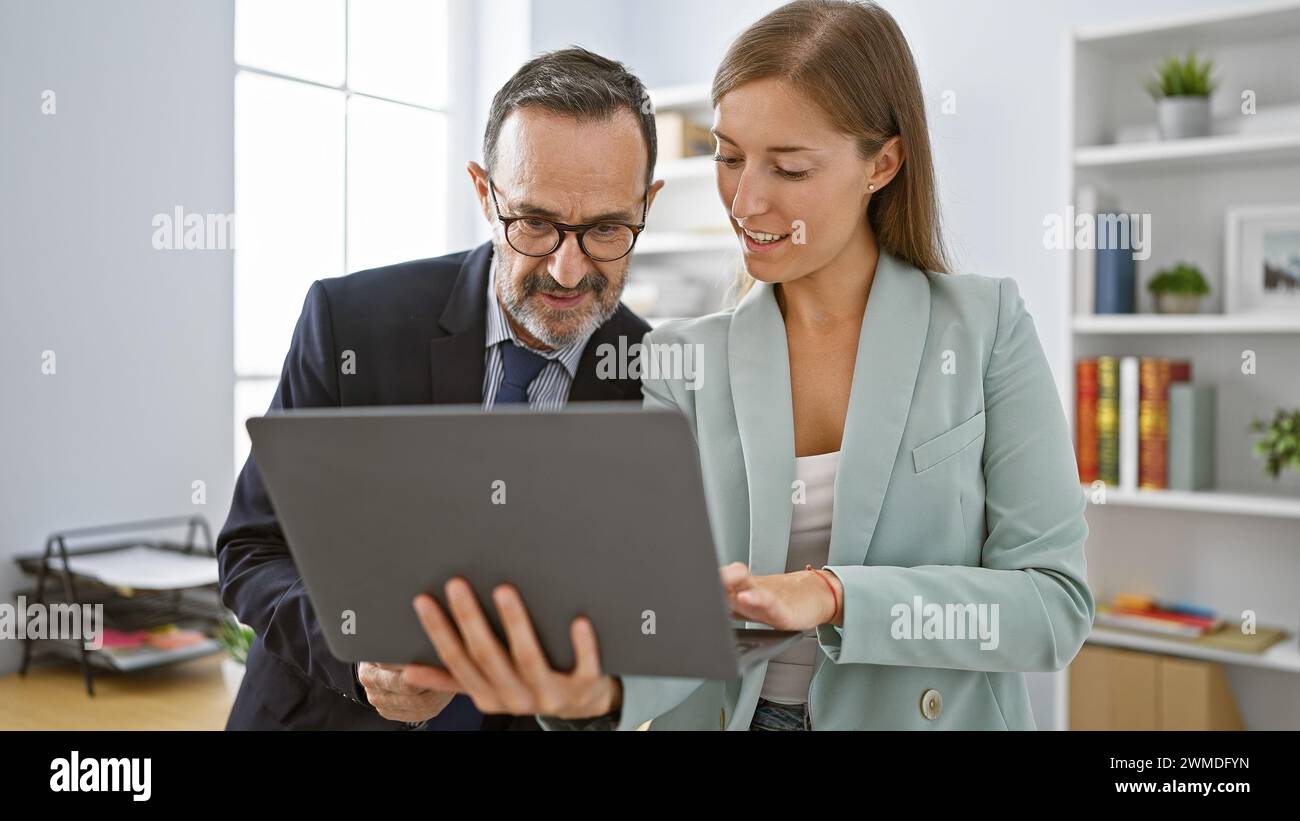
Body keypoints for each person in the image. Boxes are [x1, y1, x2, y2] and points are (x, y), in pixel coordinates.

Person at [401, 0, 1094, 731]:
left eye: (789, 167)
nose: (746, 199)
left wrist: (833, 593)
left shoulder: (984, 329)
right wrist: (598, 696)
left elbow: (1052, 606)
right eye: (728, 157)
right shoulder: (681, 358)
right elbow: (657, 609)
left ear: (883, 163)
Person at [217, 47, 662, 730]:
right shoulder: (351, 324)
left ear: (646, 206)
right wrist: (360, 657)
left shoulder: (655, 381)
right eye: (535, 223)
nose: (569, 270)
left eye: (606, 229)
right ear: (485, 193)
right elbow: (252, 549)